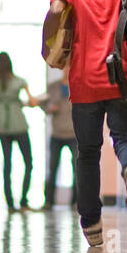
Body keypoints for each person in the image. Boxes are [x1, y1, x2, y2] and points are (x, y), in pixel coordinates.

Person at [47, 0, 127, 249]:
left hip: (84, 82)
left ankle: (91, 223)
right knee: (125, 140)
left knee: (88, 153)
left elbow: (55, 10)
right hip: (122, 80)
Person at [0, 52, 37, 212]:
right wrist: (18, 103)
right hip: (19, 125)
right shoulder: (20, 82)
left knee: (7, 164)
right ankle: (24, 201)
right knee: (28, 162)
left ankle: (10, 203)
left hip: (3, 125)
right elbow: (32, 102)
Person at [38, 65, 78, 210]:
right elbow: (43, 103)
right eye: (66, 67)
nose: (68, 70)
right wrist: (49, 108)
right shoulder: (53, 87)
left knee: (77, 169)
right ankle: (49, 202)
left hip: (73, 133)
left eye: (70, 67)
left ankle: (75, 202)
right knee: (52, 168)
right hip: (57, 134)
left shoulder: (77, 85)